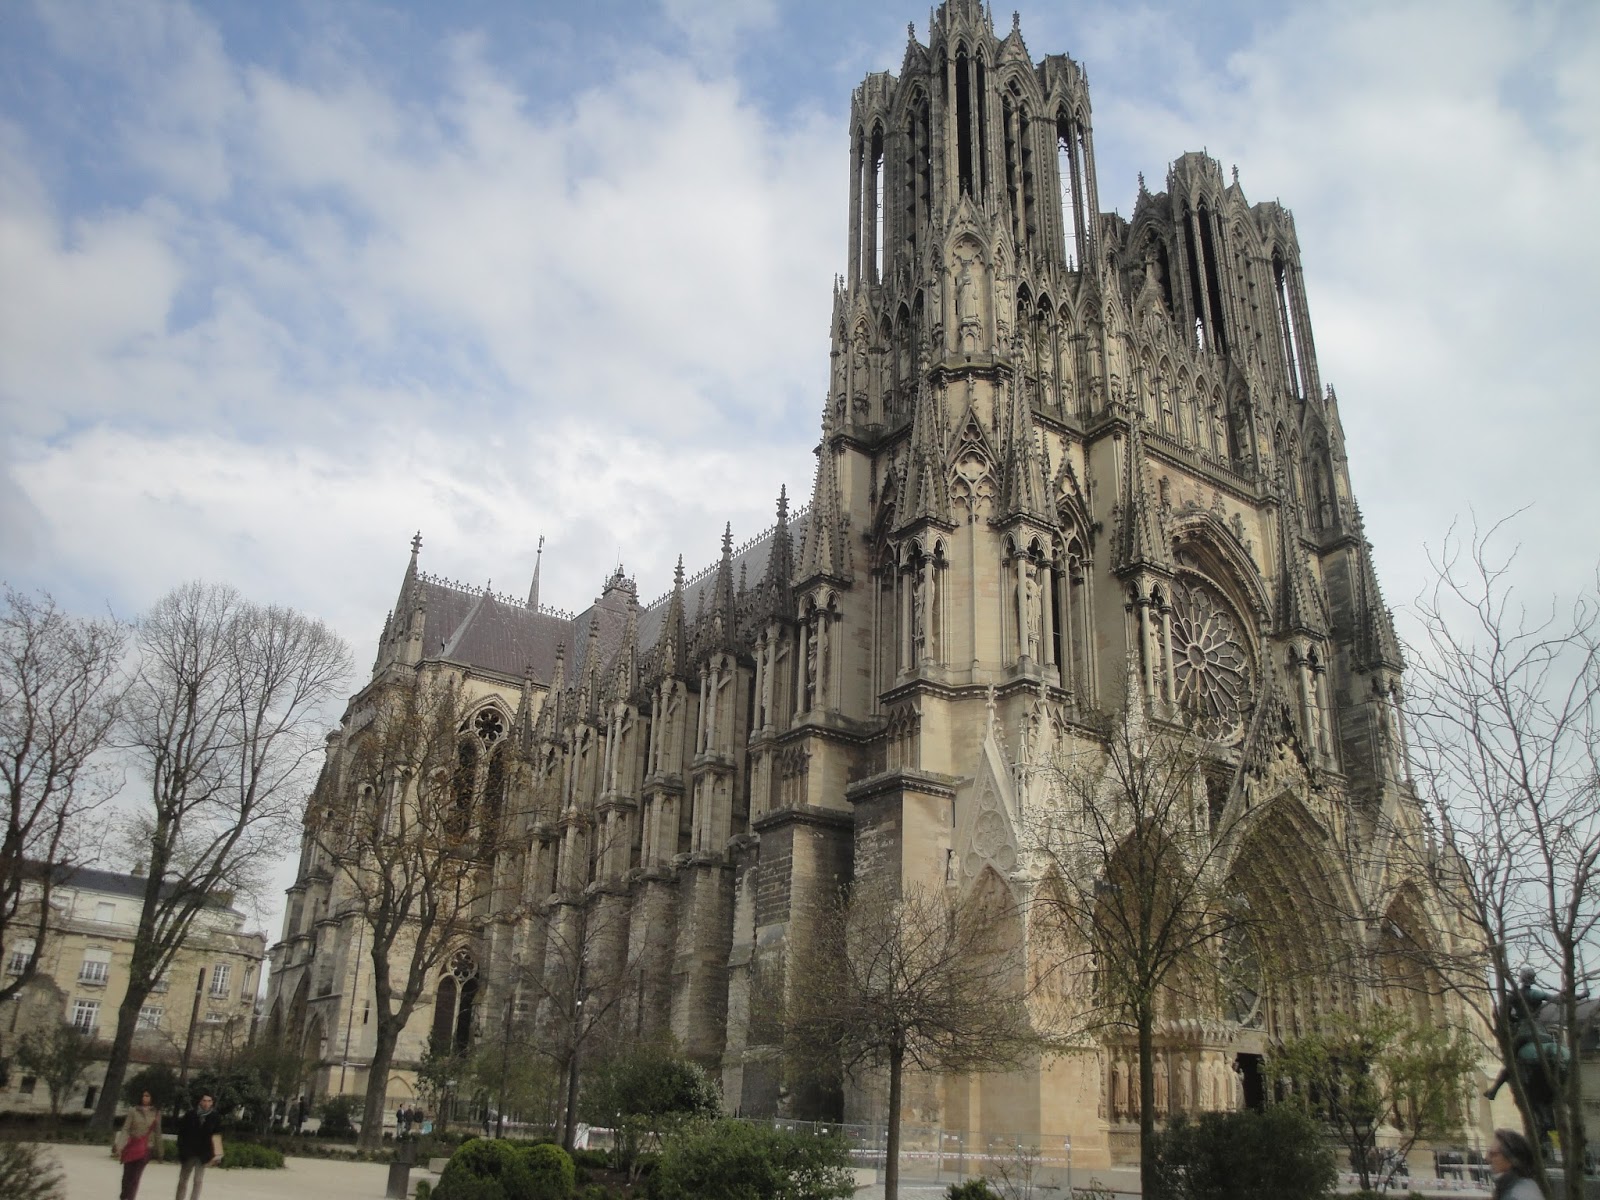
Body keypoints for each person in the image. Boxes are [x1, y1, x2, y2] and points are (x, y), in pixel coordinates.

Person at [114, 1089, 163, 1200]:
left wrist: (160, 1151)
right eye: (143, 1096)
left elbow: (158, 1132)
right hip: (132, 1146)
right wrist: (120, 1146)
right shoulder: (133, 1111)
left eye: (147, 1096)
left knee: (136, 1177)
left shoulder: (156, 1113)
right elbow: (126, 1129)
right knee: (127, 1177)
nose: (145, 1098)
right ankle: (123, 1196)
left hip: (146, 1148)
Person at [173, 1092, 223, 1200]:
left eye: (209, 1101)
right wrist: (181, 1149)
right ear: (200, 1101)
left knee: (198, 1181)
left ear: (212, 1103)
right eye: (204, 1100)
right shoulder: (190, 1115)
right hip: (188, 1152)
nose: (206, 1103)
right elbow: (182, 1133)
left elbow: (217, 1135)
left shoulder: (215, 1117)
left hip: (203, 1154)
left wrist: (218, 1155)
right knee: (183, 1180)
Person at [1487, 1128, 1545, 1200]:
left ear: (1511, 1159)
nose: (1488, 1159)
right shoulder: (1511, 1186)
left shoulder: (1518, 1194)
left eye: (1493, 1154)